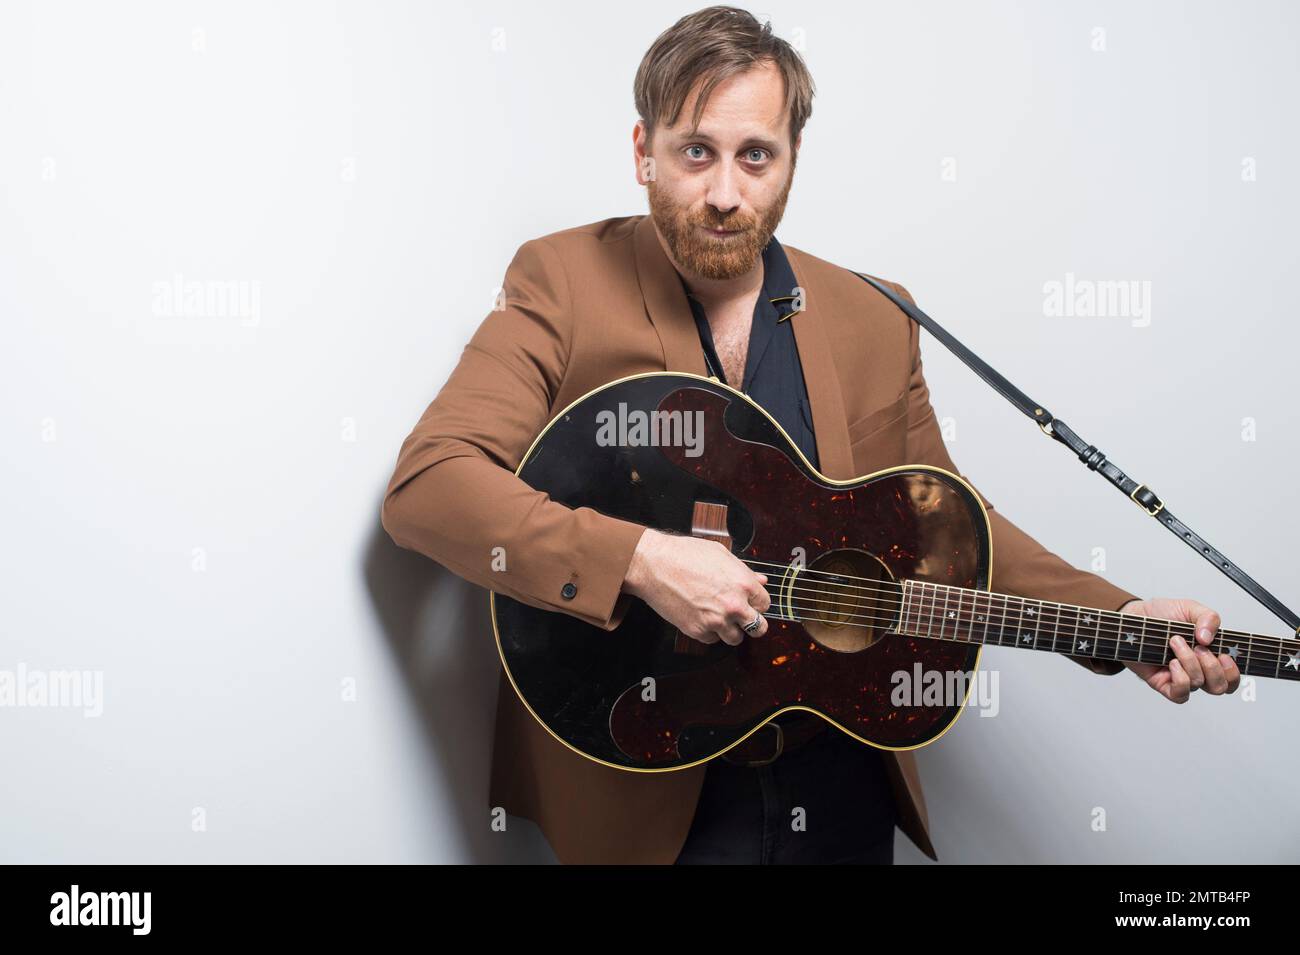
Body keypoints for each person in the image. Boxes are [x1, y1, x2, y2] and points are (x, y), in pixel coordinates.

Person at [380, 5, 1239, 865]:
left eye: (756, 155)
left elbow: (948, 529)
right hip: (651, 787)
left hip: (839, 773)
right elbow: (432, 484)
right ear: (643, 152)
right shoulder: (561, 280)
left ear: (791, 160)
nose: (725, 192)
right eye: (695, 152)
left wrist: (1120, 616)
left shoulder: (875, 313)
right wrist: (640, 558)